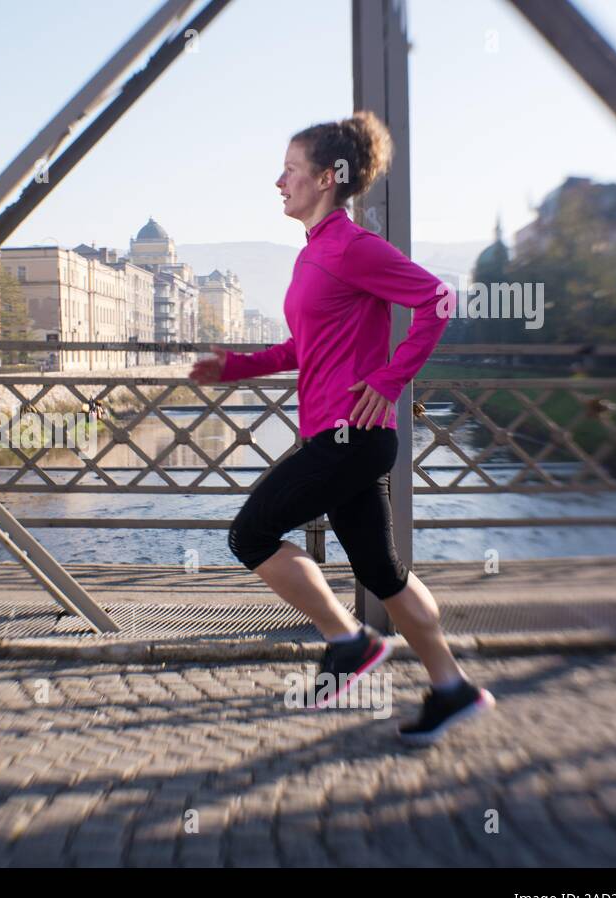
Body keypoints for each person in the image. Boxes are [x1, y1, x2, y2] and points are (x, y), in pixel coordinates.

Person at [189, 111, 495, 745]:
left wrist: (388, 381)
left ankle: (348, 641)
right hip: (338, 436)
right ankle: (452, 687)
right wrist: (235, 368)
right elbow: (303, 348)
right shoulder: (314, 257)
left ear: (328, 178)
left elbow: (438, 300)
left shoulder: (352, 247)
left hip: (351, 437)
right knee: (383, 575)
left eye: (291, 170)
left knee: (251, 534)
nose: (279, 181)